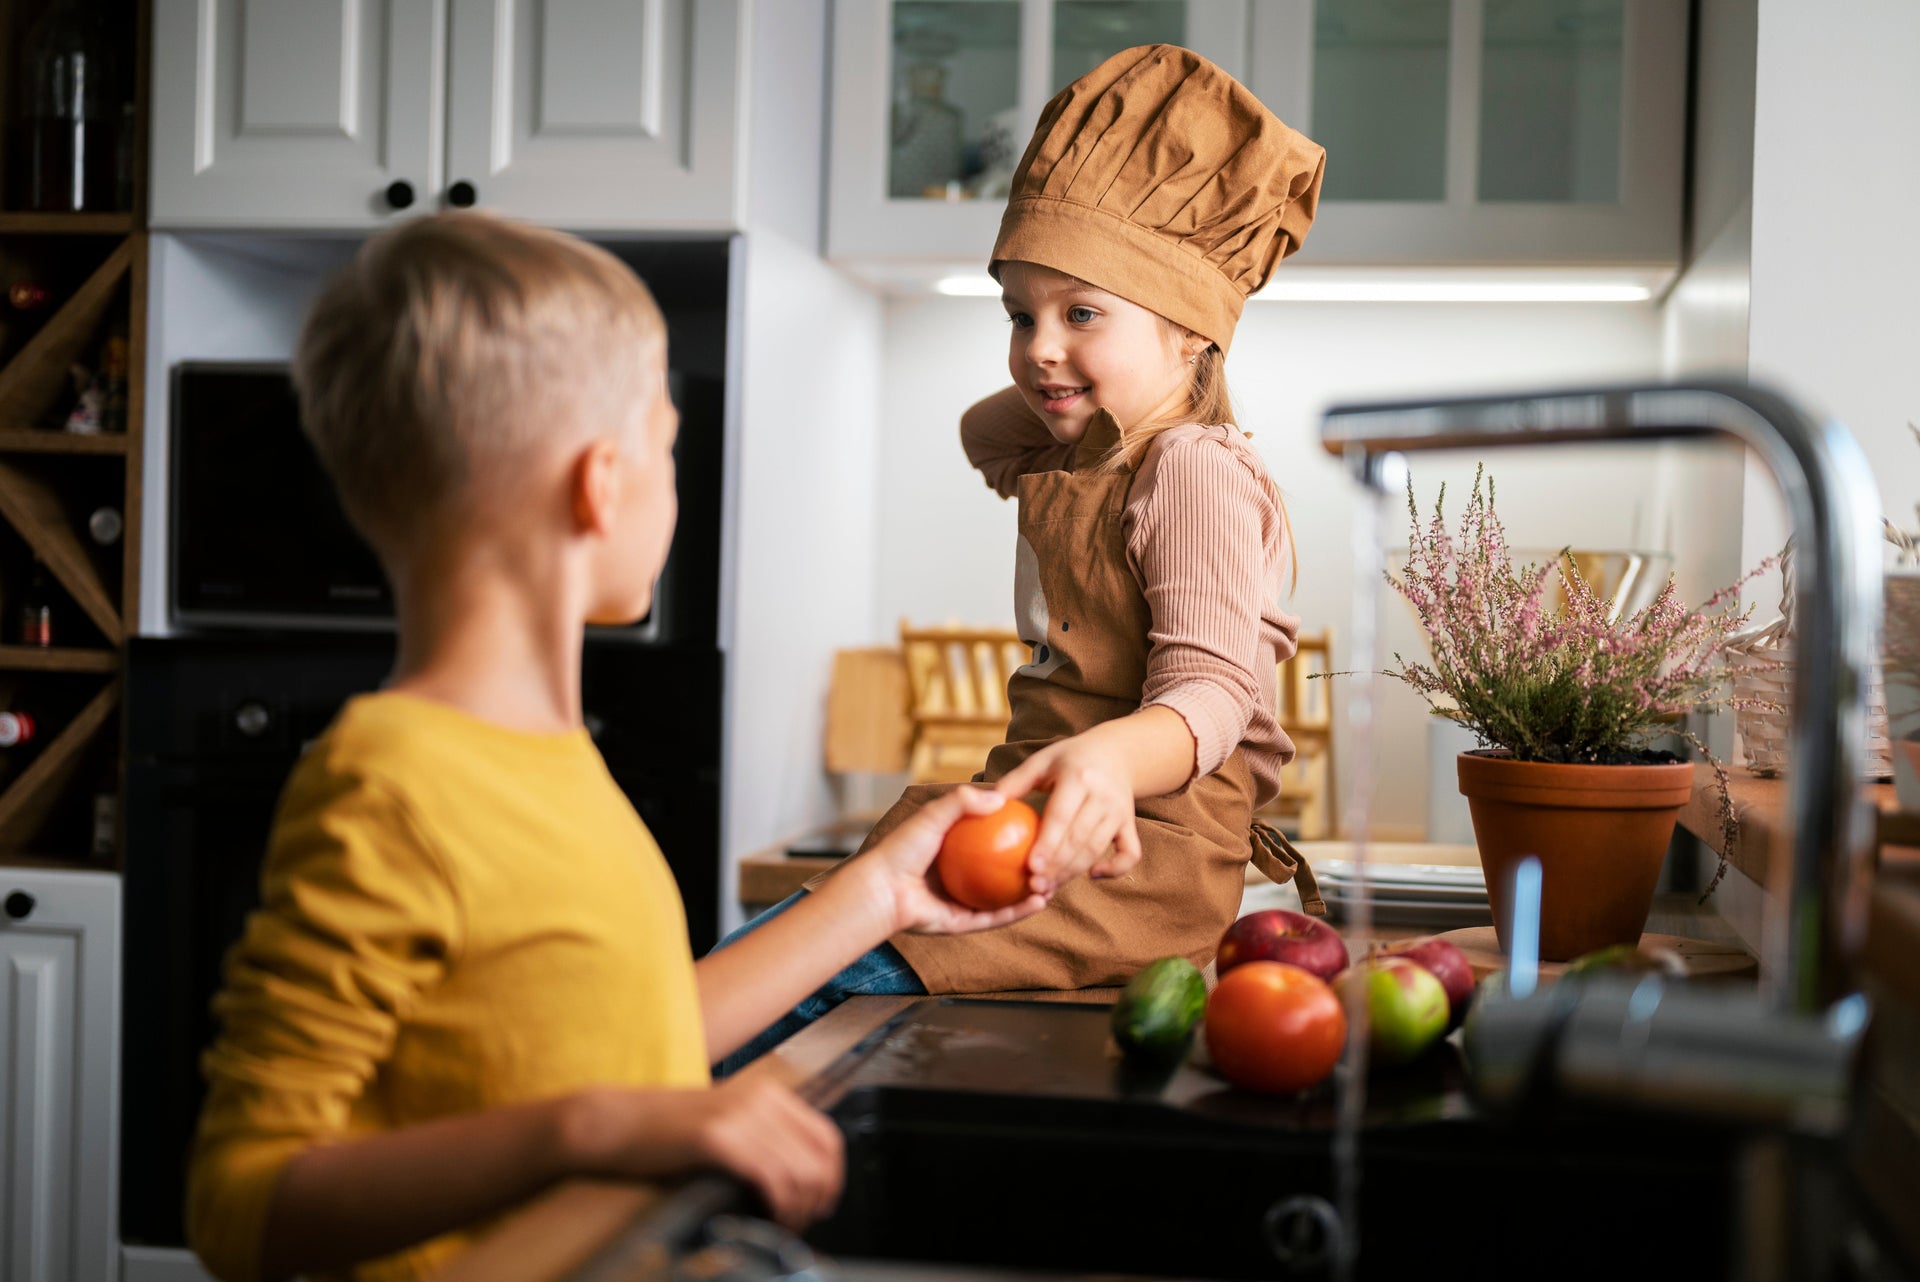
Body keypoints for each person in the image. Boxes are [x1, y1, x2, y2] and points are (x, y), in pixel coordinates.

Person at [185, 212, 1053, 1282]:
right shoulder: (393, 782)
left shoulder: (544, 756)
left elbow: (631, 1040)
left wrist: (881, 893)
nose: (674, 481)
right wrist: (585, 1131)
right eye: (670, 444)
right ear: (601, 484)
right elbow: (239, 1201)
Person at [715, 44, 1329, 1073]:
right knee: (786, 956)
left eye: (1081, 311)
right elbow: (982, 435)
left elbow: (1216, 694)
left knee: (807, 972)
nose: (1038, 345)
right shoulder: (1102, 450)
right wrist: (1084, 371)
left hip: (1136, 861)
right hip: (1046, 821)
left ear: (1191, 335)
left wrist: (1108, 757)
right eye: (1018, 314)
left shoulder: (1192, 472)